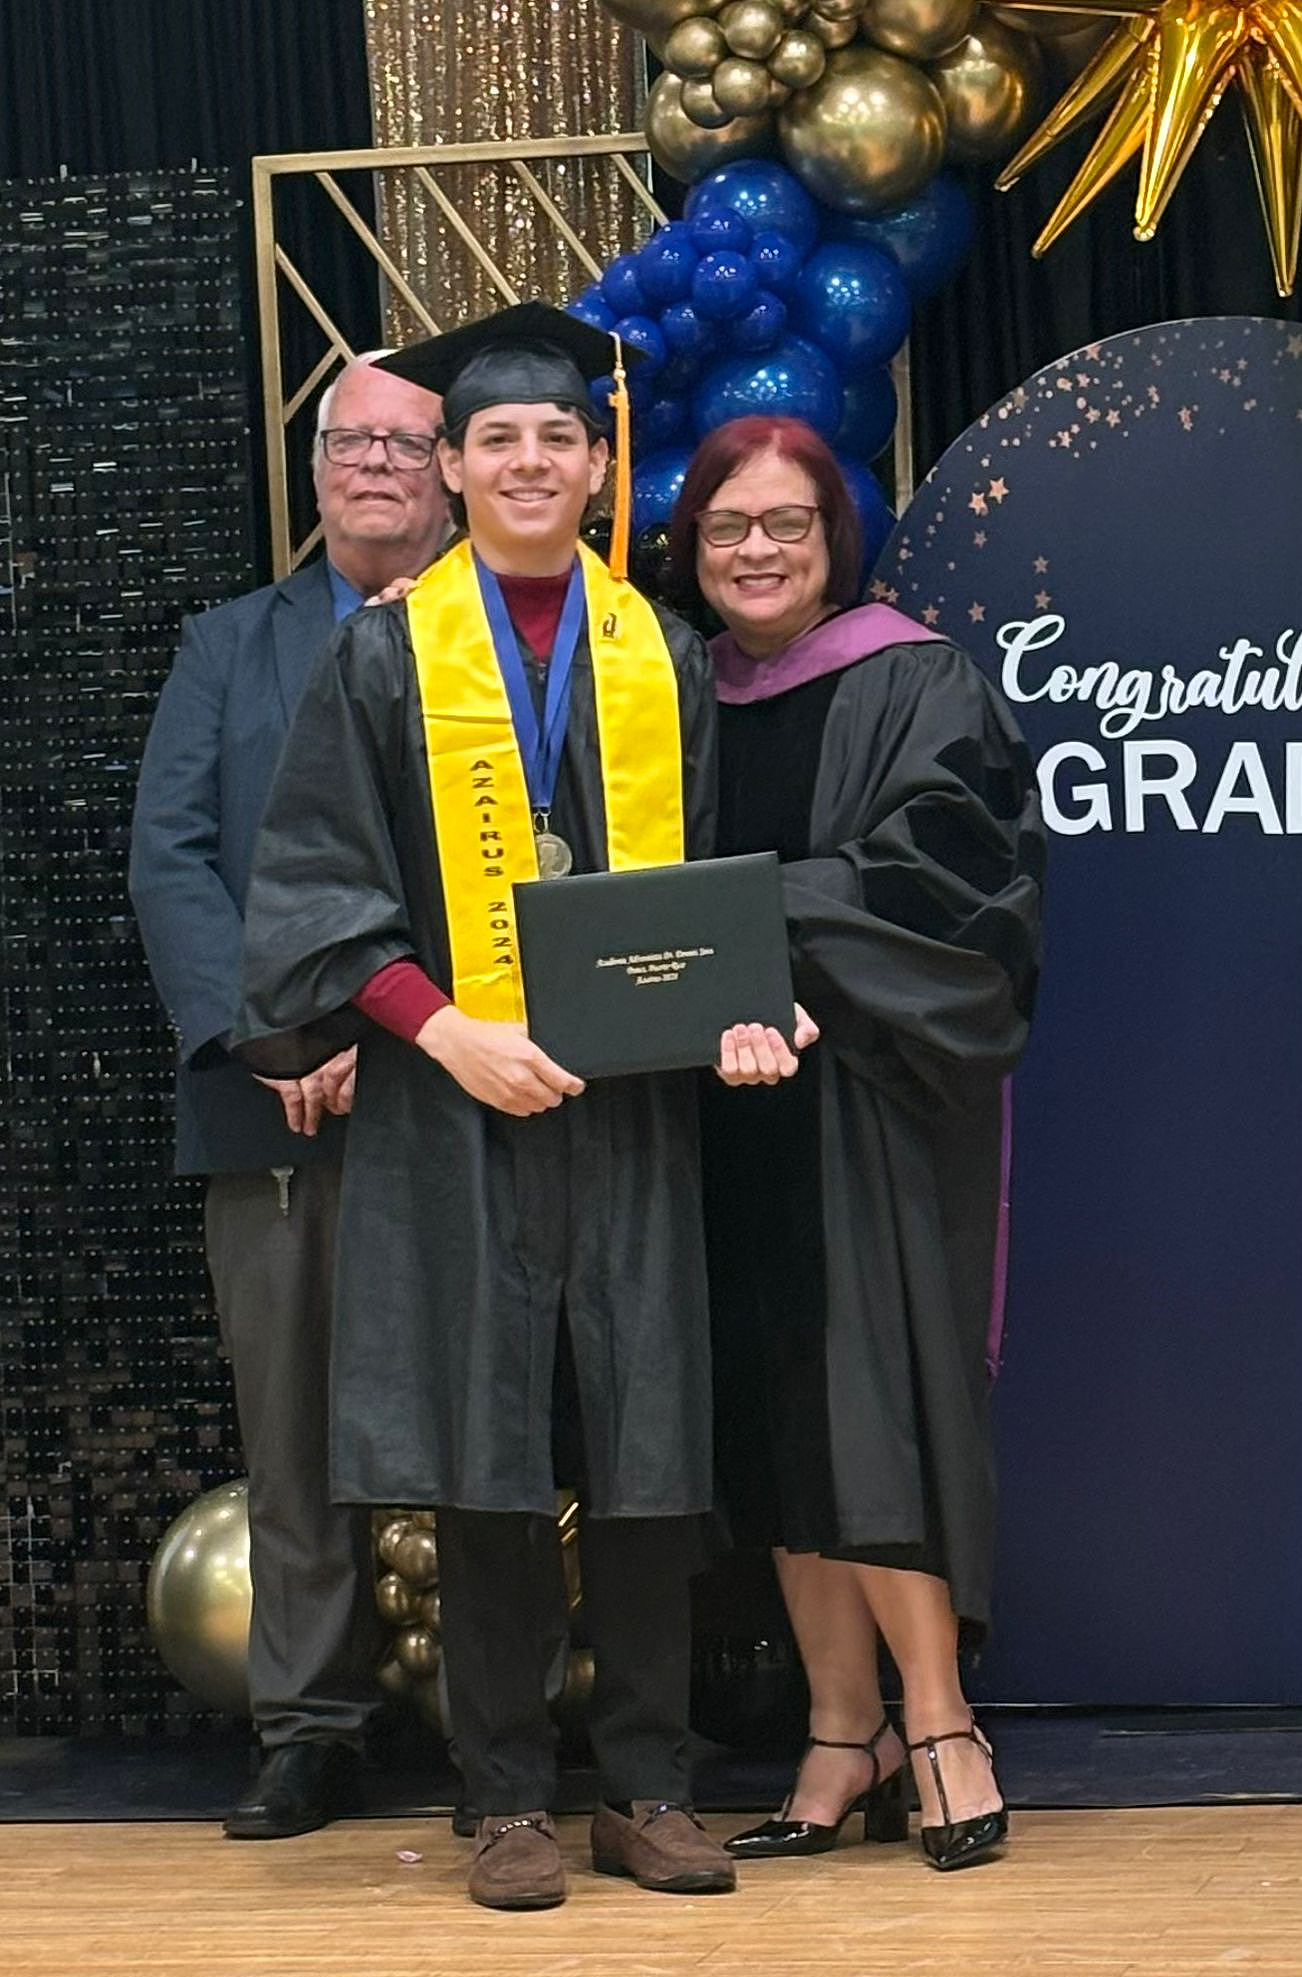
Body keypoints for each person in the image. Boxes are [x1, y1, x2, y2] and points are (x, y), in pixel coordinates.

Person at [233, 303, 813, 1911]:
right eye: (497, 437)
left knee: (644, 1448)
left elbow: (707, 891)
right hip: (452, 1107)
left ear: (598, 462)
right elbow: (315, 893)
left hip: (628, 1113)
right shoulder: (379, 655)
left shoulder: (661, 653)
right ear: (455, 468)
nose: (531, 459)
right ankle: (502, 1800)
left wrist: (733, 1016)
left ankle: (643, 1785)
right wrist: (442, 1030)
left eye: (559, 434)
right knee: (485, 1456)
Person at [668, 415, 1044, 1872]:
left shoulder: (915, 676)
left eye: (786, 525)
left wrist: (761, 933)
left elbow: (955, 890)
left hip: (868, 1096)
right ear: (690, 546)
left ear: (835, 540)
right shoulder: (675, 693)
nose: (755, 552)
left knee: (871, 1407)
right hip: (719, 1095)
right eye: (726, 528)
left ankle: (941, 1723)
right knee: (772, 1418)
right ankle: (839, 1731)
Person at [129, 353, 448, 1838]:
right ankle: (312, 1725)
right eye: (348, 440)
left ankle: (503, 1712)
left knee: (494, 1403)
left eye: (404, 440)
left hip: (466, 1088)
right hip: (278, 1103)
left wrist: (400, 1037)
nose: (374, 462)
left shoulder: (513, 639)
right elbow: (173, 859)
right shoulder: (223, 647)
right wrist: (273, 1042)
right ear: (314, 468)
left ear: (449, 471)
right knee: (297, 1424)